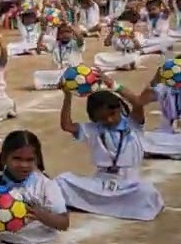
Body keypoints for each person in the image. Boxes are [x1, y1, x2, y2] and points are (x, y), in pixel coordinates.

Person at [55, 86, 164, 220]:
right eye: (102, 118)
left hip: (128, 183)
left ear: (119, 108)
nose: (109, 120)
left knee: (147, 192)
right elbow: (66, 125)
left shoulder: (133, 124)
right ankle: (109, 205)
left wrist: (114, 85)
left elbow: (137, 102)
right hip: (101, 182)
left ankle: (91, 204)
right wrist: (68, 96)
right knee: (61, 181)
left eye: (112, 115)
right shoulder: (92, 129)